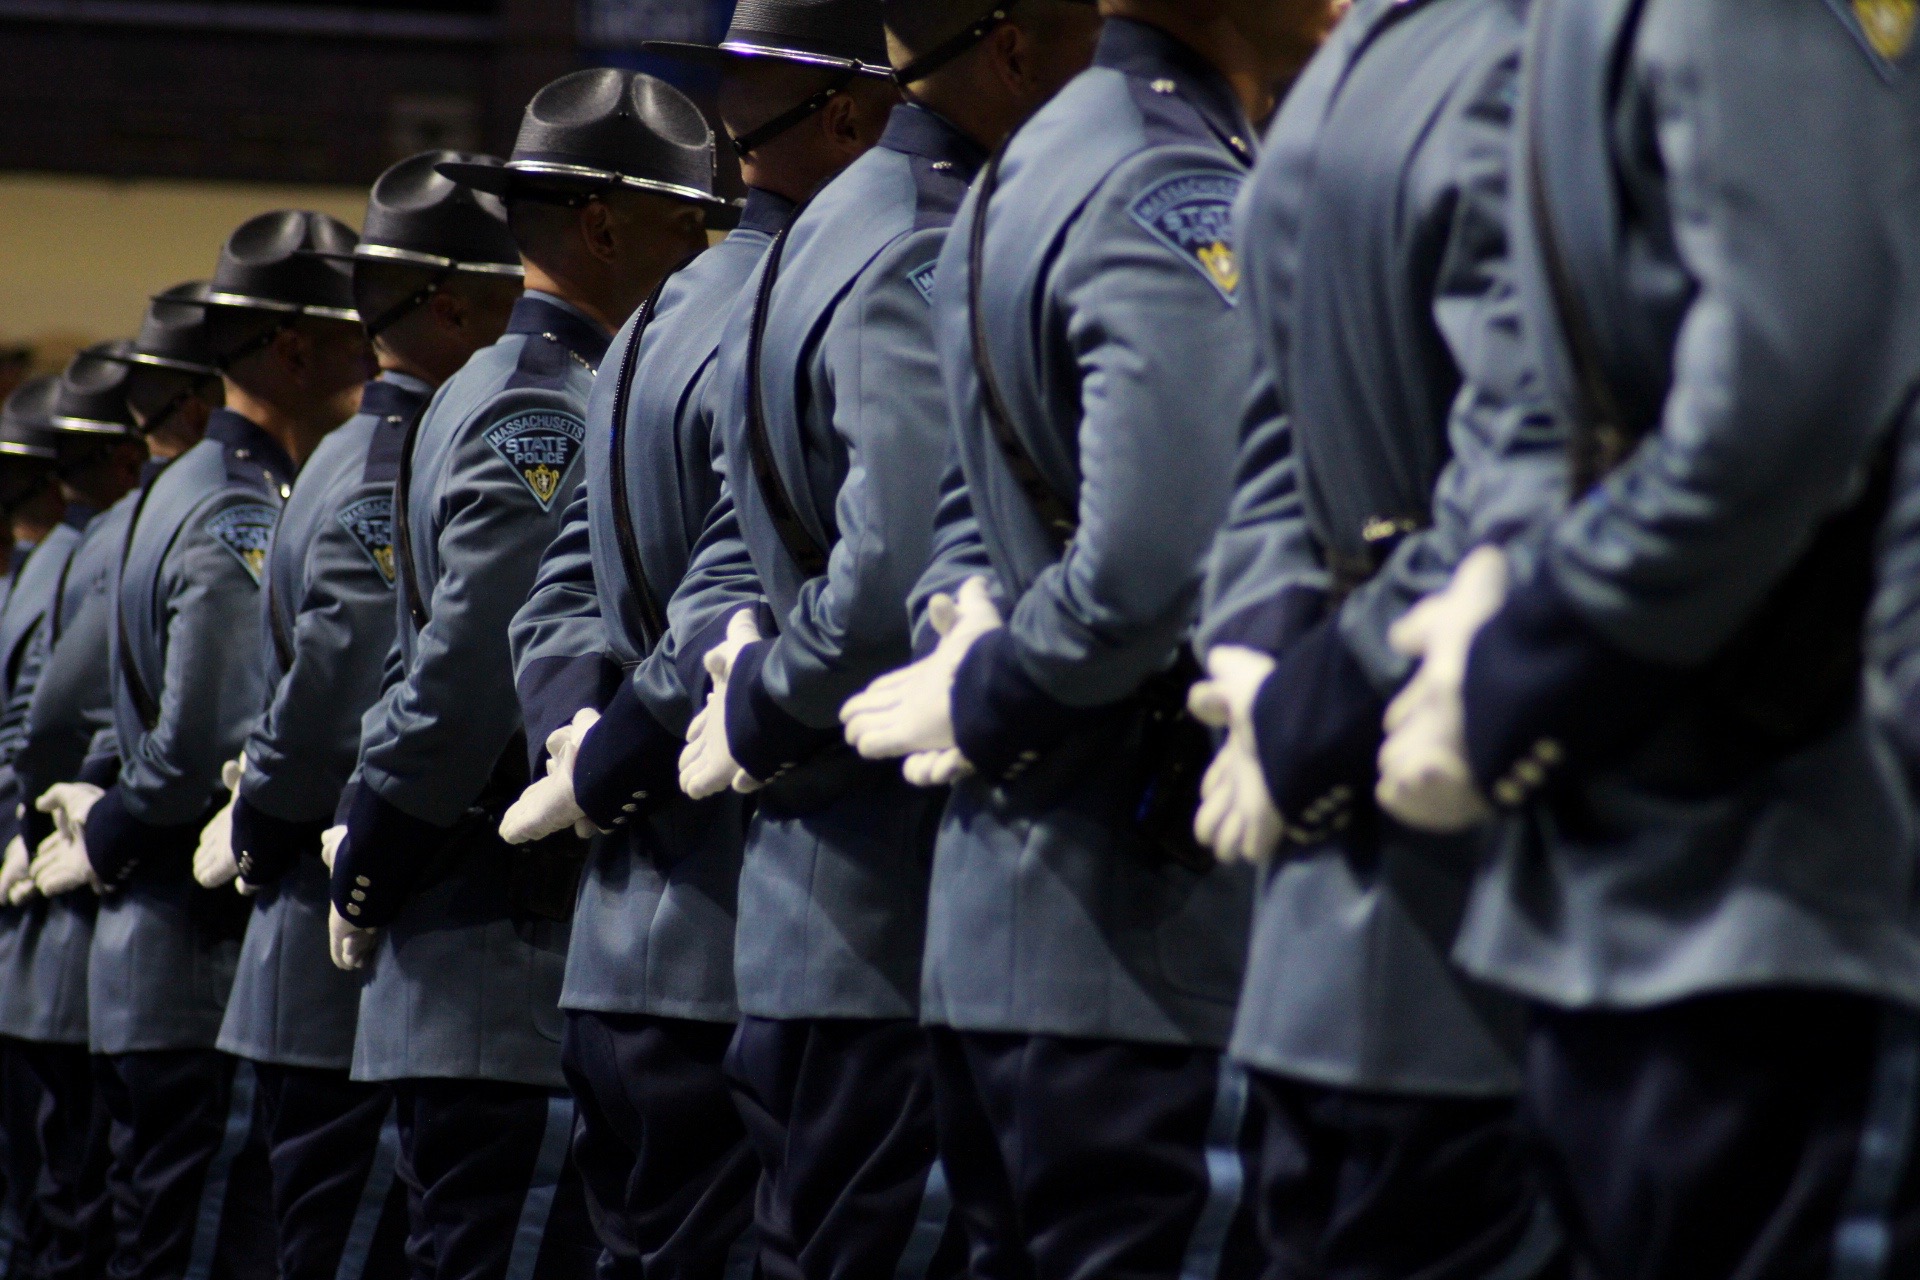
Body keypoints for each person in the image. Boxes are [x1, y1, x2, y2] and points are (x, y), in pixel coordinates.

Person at [1367, 1, 1920, 1276]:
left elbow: (1788, 395)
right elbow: (1530, 393)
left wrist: (1517, 655)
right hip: (1647, 894)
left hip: (1798, 876)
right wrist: (1499, 608)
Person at [836, 1, 1326, 1275]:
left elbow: (957, 492)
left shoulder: (1024, 161)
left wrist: (967, 609)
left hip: (1006, 914)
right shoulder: (1171, 174)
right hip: (1135, 917)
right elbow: (1158, 554)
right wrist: (994, 674)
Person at [500, 3, 921, 1274]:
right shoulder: (808, 290)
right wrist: (626, 741)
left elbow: (556, 584)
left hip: (621, 928)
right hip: (744, 897)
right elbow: (733, 586)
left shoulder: (652, 319)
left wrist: (572, 738)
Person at [1175, 0, 1579, 1274]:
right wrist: (1305, 705)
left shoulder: (1338, 74)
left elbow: (1267, 462)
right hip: (1482, 917)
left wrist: (1257, 654)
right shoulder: (1525, 56)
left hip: (1311, 927)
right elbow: (1528, 462)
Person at [325, 68, 722, 1280]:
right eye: (685, 223)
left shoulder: (482, 388)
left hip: (466, 959)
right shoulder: (544, 407)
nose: (704, 250)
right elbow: (470, 672)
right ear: (605, 227)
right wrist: (380, 841)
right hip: (496, 947)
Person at [191, 152, 528, 1280]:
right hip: (356, 930)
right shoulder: (390, 458)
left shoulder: (343, 449)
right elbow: (343, 687)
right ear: (447, 304)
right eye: (505, 298)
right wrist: (274, 818)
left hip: (332, 939)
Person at [32, 212, 368, 1280]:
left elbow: (64, 709)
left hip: (145, 955)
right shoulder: (237, 508)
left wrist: (95, 805)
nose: (375, 347)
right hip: (194, 945)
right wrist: (124, 824)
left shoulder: (166, 493)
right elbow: (204, 742)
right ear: (295, 347)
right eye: (352, 329)